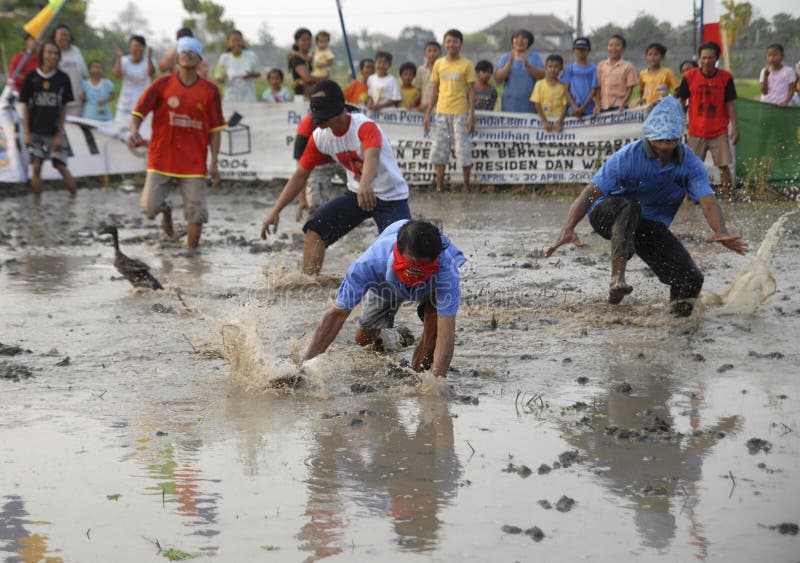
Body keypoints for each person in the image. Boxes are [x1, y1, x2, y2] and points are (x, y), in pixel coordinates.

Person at [545, 97, 747, 317]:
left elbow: (707, 200)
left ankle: (677, 323)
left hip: (648, 224)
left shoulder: (690, 163)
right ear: (649, 136)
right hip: (607, 213)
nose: (665, 149)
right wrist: (568, 227)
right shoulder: (627, 157)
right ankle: (617, 279)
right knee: (630, 208)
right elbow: (589, 194)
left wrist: (720, 230)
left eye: (670, 143)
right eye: (659, 142)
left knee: (691, 277)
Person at [260, 80, 411, 275]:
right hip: (356, 194)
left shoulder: (365, 127)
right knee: (315, 230)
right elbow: (300, 175)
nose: (320, 123)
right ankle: (309, 284)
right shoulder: (320, 136)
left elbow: (371, 156)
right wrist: (275, 211)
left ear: (339, 110)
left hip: (391, 196)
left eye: (323, 118)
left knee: (404, 249)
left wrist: (366, 183)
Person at [295, 219, 465, 382]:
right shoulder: (369, 264)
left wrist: (436, 384)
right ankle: (396, 335)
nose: (415, 273)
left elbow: (446, 332)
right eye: (412, 265)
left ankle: (417, 377)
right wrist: (303, 368)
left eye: (422, 267)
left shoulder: (446, 270)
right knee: (364, 339)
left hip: (432, 285)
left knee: (431, 340)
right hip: (386, 283)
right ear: (398, 250)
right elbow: (337, 314)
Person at [129, 37, 226, 250]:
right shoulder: (162, 84)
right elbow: (138, 113)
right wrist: (134, 131)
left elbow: (216, 130)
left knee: (196, 215)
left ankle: (191, 257)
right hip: (161, 158)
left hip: (193, 163)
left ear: (200, 59)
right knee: (148, 208)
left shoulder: (210, 90)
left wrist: (214, 162)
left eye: (193, 52)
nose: (188, 54)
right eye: (184, 51)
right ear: (177, 58)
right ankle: (166, 210)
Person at [676, 41, 739, 197]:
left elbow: (730, 104)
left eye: (710, 58)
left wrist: (735, 127)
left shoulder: (725, 78)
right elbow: (681, 99)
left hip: (719, 130)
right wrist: (679, 119)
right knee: (690, 167)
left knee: (724, 166)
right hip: (696, 130)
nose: (707, 61)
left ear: (716, 58)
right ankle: (687, 199)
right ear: (699, 59)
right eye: (704, 58)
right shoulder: (690, 76)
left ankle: (727, 196)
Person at [20, 41, 76, 195]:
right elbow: (25, 105)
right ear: (42, 55)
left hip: (54, 130)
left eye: (55, 53)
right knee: (36, 166)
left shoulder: (63, 78)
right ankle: (37, 208)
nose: (52, 56)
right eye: (49, 52)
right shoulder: (31, 77)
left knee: (60, 166)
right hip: (35, 130)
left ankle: (74, 202)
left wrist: (59, 132)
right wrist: (26, 132)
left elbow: (64, 107)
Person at [423, 29, 475, 192]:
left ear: (461, 44)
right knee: (440, 149)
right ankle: (439, 185)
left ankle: (466, 186)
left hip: (460, 113)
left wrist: (471, 115)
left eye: (455, 41)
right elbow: (435, 90)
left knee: (463, 150)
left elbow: (471, 91)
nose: (451, 44)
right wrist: (428, 113)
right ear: (445, 44)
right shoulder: (439, 64)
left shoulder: (466, 65)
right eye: (448, 41)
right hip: (441, 112)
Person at [493, 29, 544, 112]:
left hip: (530, 104)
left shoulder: (535, 57)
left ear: (529, 41)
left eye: (524, 38)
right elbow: (498, 80)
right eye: (516, 37)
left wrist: (528, 66)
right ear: (513, 40)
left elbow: (542, 76)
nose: (520, 40)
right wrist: (509, 64)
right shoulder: (505, 57)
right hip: (509, 104)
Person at [112, 35, 155, 123]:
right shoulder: (124, 60)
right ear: (130, 48)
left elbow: (151, 73)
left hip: (142, 106)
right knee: (119, 131)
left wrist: (149, 58)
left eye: (141, 46)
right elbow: (117, 75)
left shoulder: (149, 61)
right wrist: (119, 58)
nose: (138, 48)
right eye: (135, 46)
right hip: (125, 106)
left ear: (144, 48)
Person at [214, 30, 261, 103]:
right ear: (228, 43)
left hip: (248, 97)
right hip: (230, 98)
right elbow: (218, 76)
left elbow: (259, 73)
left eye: (238, 40)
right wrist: (223, 78)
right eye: (233, 41)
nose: (236, 43)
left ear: (243, 42)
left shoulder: (251, 56)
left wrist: (251, 74)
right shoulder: (224, 57)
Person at [596, 34, 637, 114]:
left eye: (617, 45)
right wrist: (597, 104)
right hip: (604, 106)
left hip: (620, 107)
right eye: (610, 45)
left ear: (623, 49)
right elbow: (598, 87)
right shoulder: (601, 66)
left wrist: (623, 103)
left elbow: (629, 89)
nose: (613, 48)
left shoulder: (628, 67)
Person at [52, 24, 87, 117]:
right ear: (55, 37)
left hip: (77, 100)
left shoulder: (76, 51)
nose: (64, 37)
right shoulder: (51, 52)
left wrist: (86, 91)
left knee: (75, 130)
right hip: (57, 101)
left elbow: (84, 74)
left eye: (66, 35)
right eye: (61, 35)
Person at [530, 54, 571, 132]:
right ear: (546, 68)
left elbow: (565, 106)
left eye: (556, 67)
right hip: (543, 122)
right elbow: (537, 104)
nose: (553, 69)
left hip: (558, 122)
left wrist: (560, 122)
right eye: (550, 66)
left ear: (561, 68)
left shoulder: (563, 87)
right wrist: (545, 121)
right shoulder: (539, 84)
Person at [561, 37, 598, 117]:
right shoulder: (569, 68)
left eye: (583, 49)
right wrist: (574, 107)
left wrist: (583, 108)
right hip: (572, 110)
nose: (580, 51)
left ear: (588, 51)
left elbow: (593, 91)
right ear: (574, 51)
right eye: (578, 49)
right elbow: (566, 90)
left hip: (589, 109)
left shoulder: (594, 69)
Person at [288, 28, 324, 98]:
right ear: (296, 42)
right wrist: (324, 78)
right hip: (302, 96)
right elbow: (308, 78)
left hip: (315, 94)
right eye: (303, 40)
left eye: (309, 39)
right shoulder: (296, 58)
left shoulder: (313, 56)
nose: (307, 42)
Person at [415, 41, 441, 113]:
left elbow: (442, 91)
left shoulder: (443, 69)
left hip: (439, 108)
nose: (432, 54)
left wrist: (427, 105)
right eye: (429, 51)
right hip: (423, 109)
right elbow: (419, 91)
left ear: (440, 53)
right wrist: (413, 102)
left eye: (435, 51)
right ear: (424, 54)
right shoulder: (421, 70)